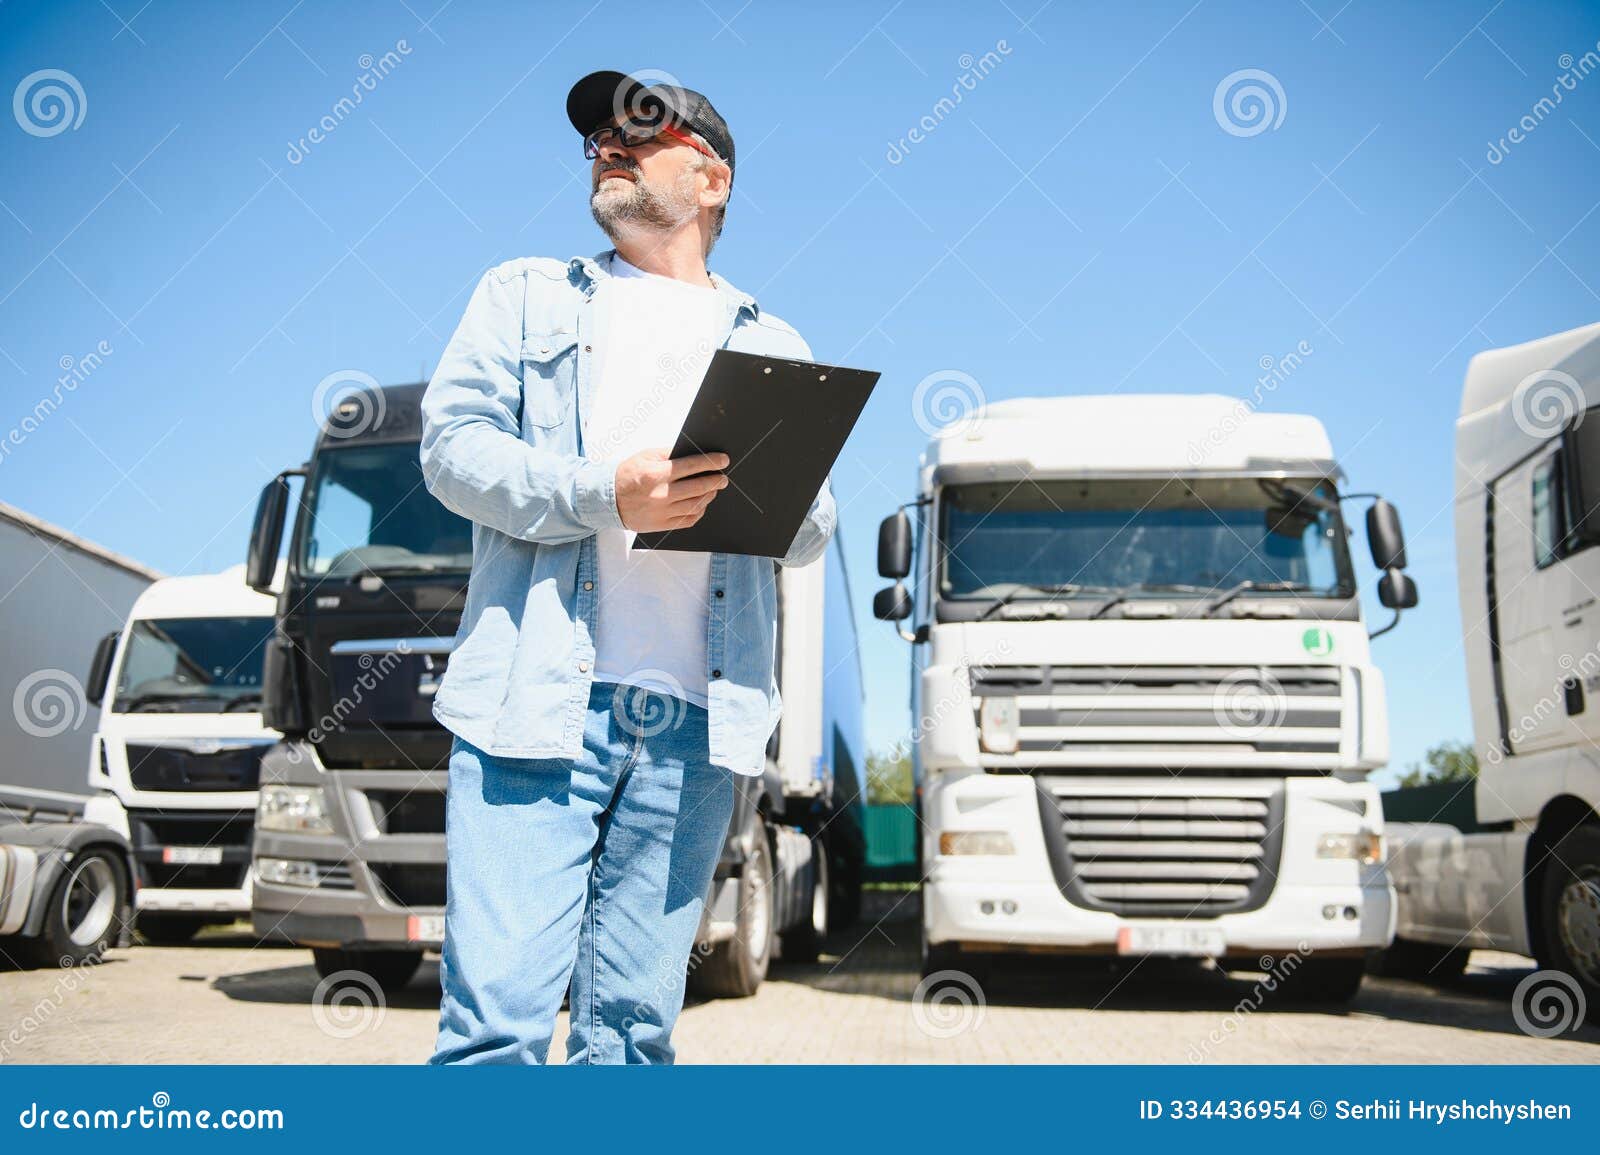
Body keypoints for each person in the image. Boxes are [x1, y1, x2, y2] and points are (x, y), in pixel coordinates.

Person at [420, 70, 834, 1064]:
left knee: (633, 1038)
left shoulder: (772, 341)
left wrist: (772, 494)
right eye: (598, 137)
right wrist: (607, 493)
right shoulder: (525, 295)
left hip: (694, 732)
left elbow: (813, 528)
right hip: (533, 711)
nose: (610, 144)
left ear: (712, 179)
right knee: (495, 1031)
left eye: (643, 131)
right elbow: (452, 451)